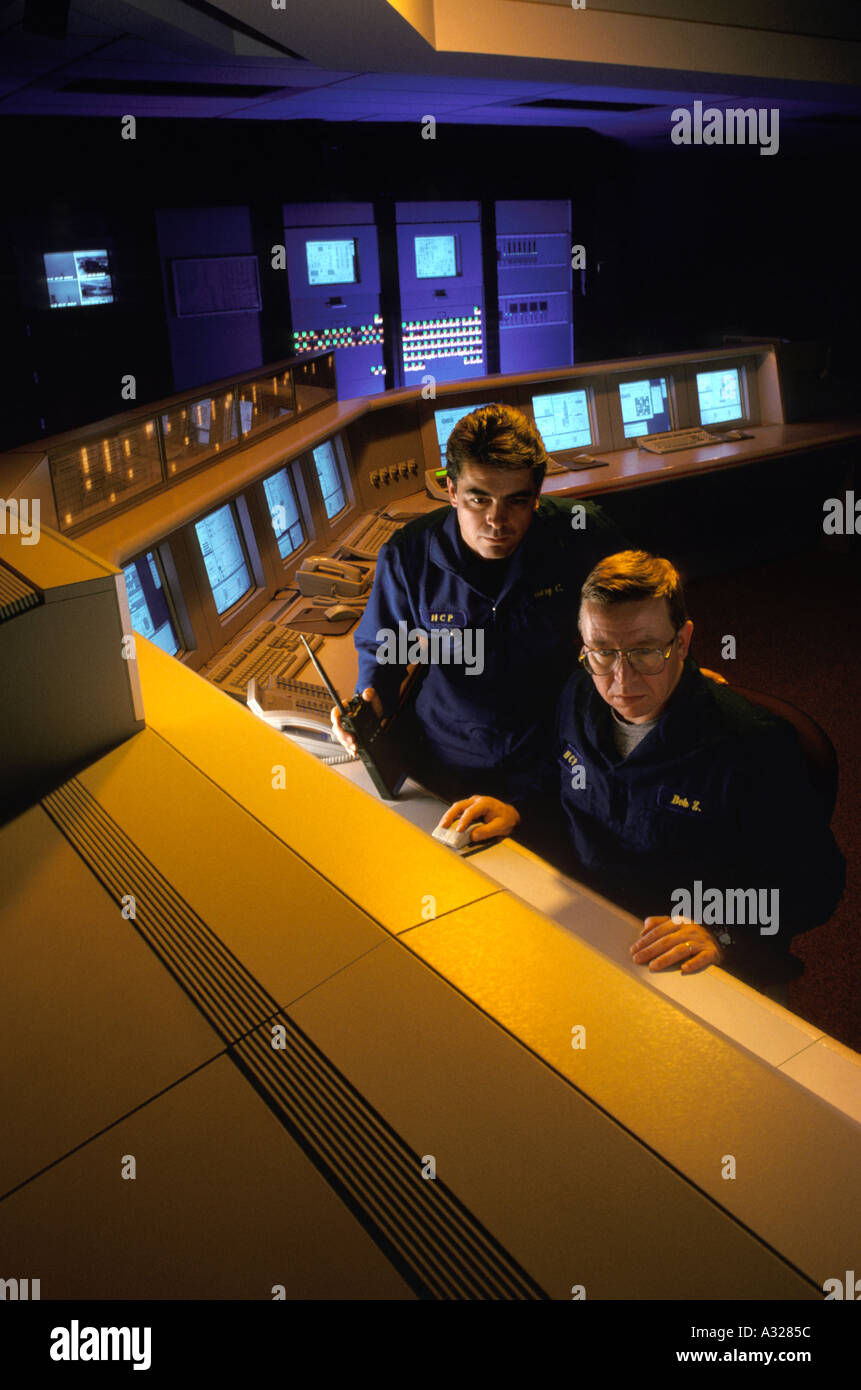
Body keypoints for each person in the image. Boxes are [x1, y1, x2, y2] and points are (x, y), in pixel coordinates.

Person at [441, 551, 845, 989]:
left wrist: (723, 932)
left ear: (684, 641)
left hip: (686, 959)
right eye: (602, 652)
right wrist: (517, 808)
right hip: (587, 920)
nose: (621, 680)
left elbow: (815, 885)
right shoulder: (579, 692)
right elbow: (557, 776)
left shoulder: (753, 746)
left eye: (646, 652)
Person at [331, 402, 625, 802]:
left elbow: (638, 615)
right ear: (451, 490)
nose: (497, 521)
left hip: (553, 747)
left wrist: (675, 672)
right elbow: (385, 653)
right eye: (479, 499)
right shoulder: (408, 556)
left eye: (517, 501)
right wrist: (367, 705)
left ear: (538, 494)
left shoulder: (579, 532)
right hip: (447, 755)